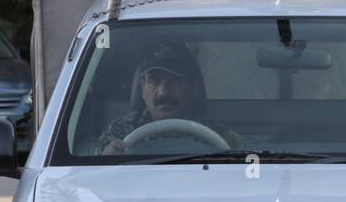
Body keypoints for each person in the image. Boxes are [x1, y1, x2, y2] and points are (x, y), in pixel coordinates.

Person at [98, 47, 240, 154]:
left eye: (176, 81)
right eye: (154, 80)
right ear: (142, 87)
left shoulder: (219, 137)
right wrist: (107, 158)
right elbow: (95, 179)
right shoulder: (119, 132)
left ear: (194, 88)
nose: (163, 92)